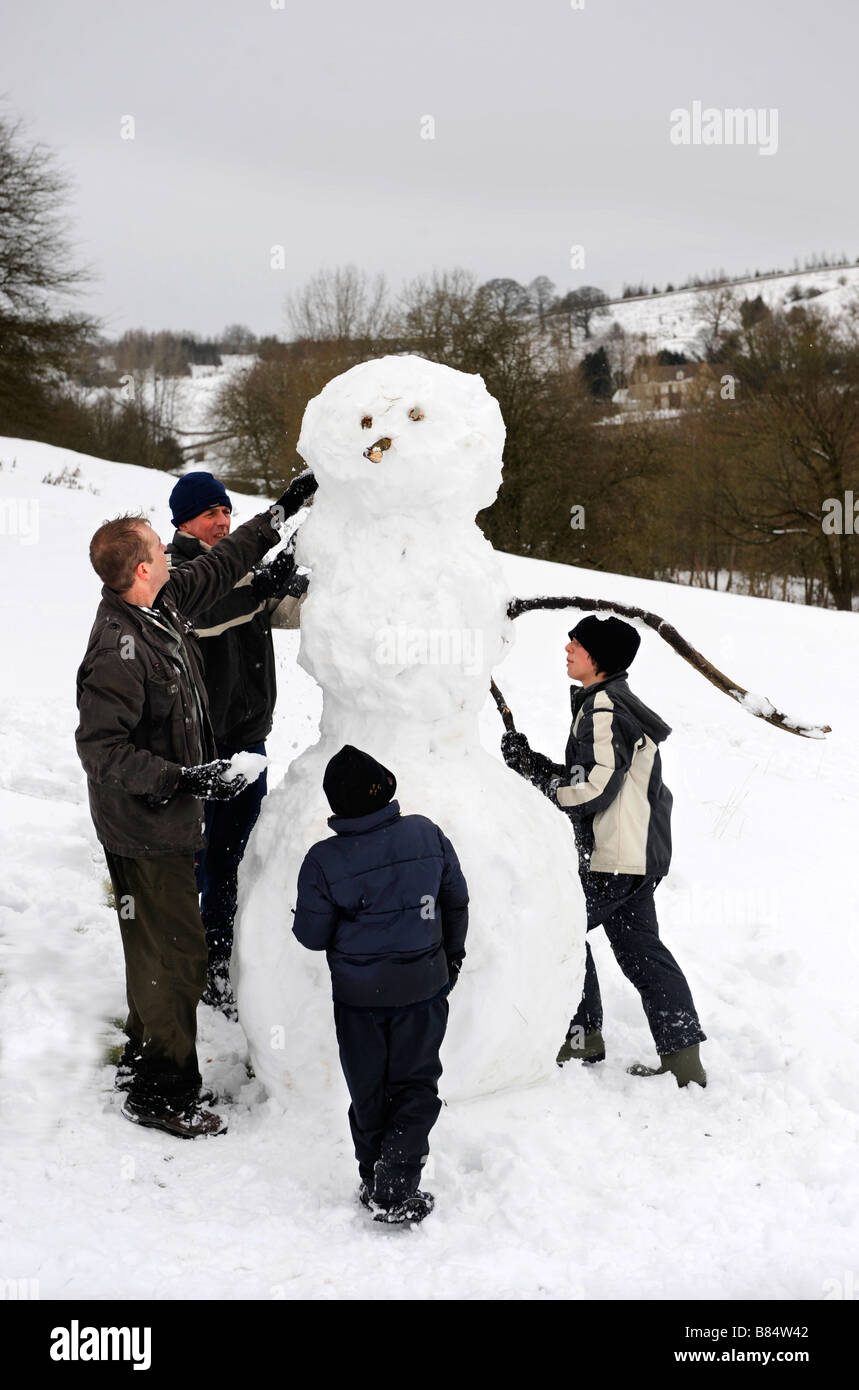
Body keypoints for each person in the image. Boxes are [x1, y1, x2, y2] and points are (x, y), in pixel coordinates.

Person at [75, 471, 316, 1138]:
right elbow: (101, 749)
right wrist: (187, 779)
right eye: (158, 540)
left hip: (161, 813)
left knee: (155, 946)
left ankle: (144, 1054)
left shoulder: (161, 600)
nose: (169, 545)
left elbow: (227, 563)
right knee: (176, 955)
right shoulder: (119, 646)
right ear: (146, 565)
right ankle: (163, 1093)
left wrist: (280, 512)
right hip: (145, 823)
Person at [501, 614, 707, 1088]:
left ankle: (583, 1039)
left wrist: (541, 782)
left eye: (579, 643)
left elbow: (594, 789)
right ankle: (683, 1061)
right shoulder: (608, 702)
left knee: (563, 930)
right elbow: (596, 775)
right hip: (635, 856)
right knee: (642, 951)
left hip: (614, 857)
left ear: (600, 659)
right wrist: (530, 762)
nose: (568, 646)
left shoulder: (605, 708)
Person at [292, 745, 469, 1223]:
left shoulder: (323, 860)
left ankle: (379, 1178)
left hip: (357, 1000)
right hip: (423, 989)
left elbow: (311, 937)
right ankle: (391, 1184)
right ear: (387, 787)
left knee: (368, 1089)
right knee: (415, 1087)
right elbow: (455, 901)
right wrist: (451, 958)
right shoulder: (426, 834)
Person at [166, 471, 311, 1017]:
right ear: (183, 521)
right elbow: (214, 611)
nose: (222, 521)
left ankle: (224, 952)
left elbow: (281, 611)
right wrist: (267, 578)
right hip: (203, 748)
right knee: (207, 859)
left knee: (239, 852)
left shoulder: (240, 569)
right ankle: (205, 963)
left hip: (250, 738)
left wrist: (305, 574)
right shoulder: (175, 573)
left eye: (226, 511)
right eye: (210, 514)